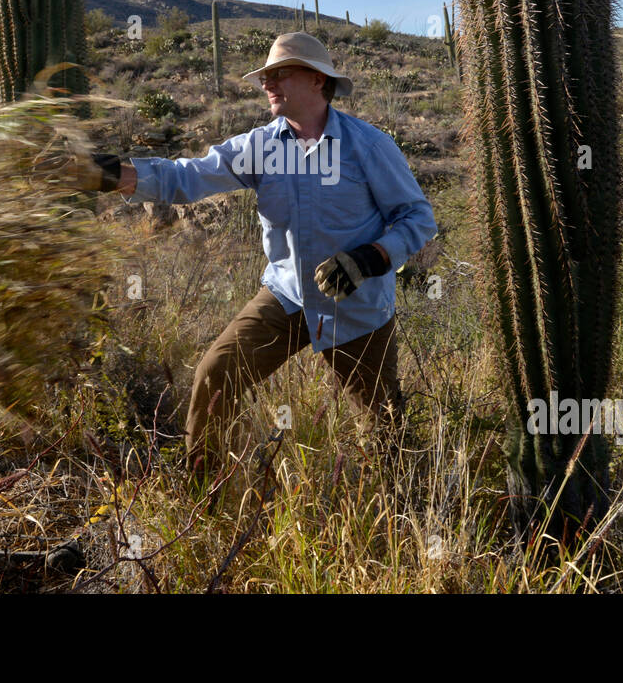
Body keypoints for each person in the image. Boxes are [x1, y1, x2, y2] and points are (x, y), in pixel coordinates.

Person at [83, 32, 437, 486]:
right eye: (265, 76)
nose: (267, 83)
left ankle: (404, 509)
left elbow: (417, 217)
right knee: (216, 375)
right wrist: (112, 175)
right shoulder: (260, 146)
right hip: (287, 295)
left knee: (383, 421)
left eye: (278, 73)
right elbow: (187, 178)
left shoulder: (367, 146)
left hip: (356, 303)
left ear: (316, 79)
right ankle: (204, 495)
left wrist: (371, 257)